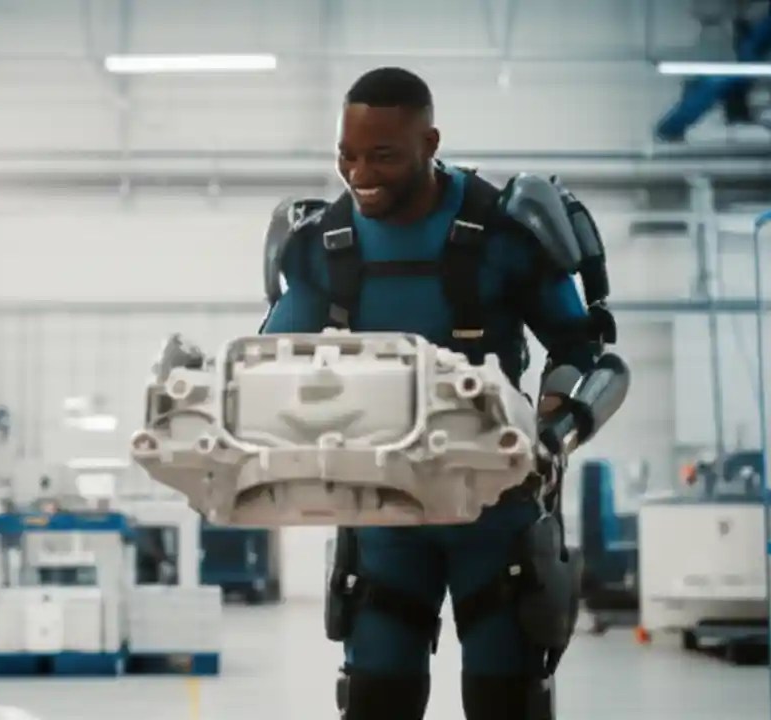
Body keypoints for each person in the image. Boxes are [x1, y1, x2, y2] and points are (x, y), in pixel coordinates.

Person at [259, 67, 626, 720]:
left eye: (382, 155)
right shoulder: (323, 245)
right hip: (382, 512)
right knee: (376, 700)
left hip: (497, 508)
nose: (359, 173)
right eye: (347, 154)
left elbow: (584, 351)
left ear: (430, 143)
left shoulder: (506, 231)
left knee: (506, 700)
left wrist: (555, 430)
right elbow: (269, 365)